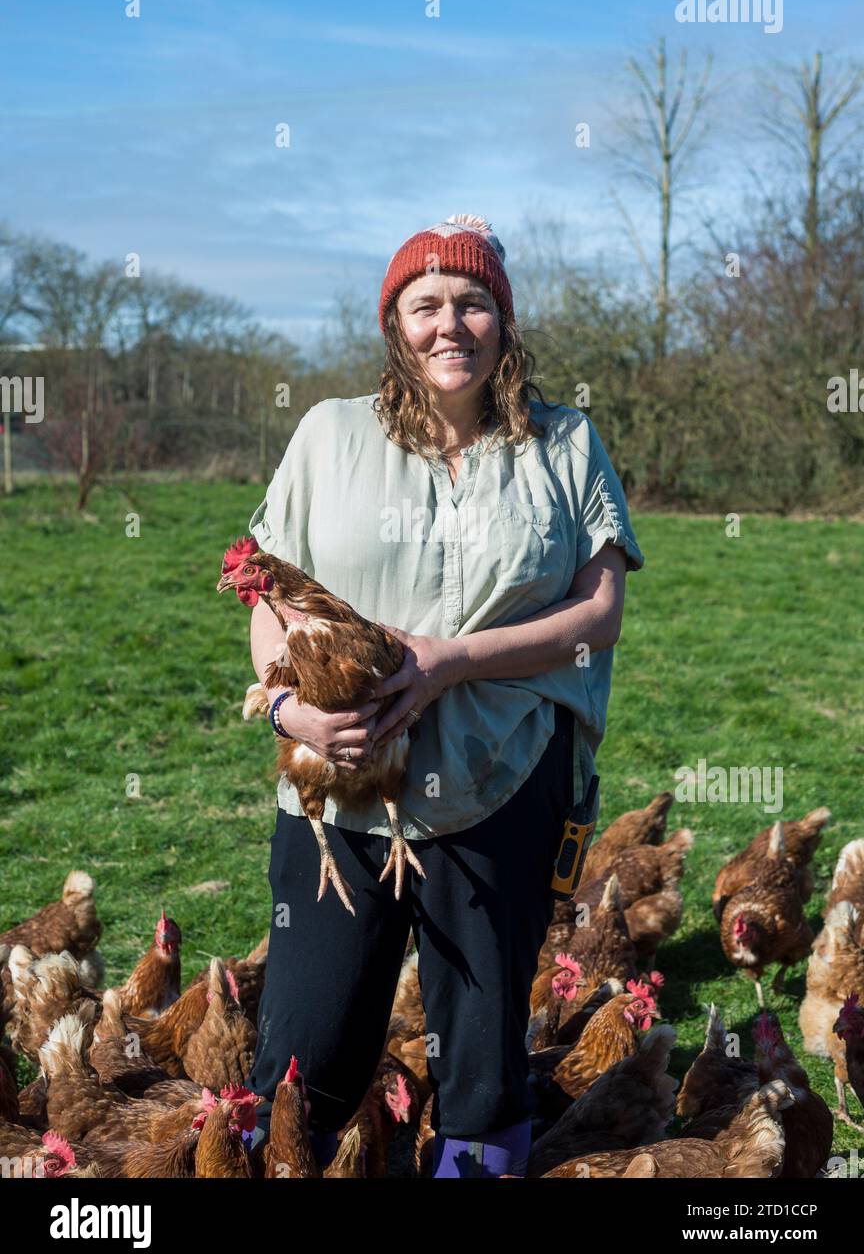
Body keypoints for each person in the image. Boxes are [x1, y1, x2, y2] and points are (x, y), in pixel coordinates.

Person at [242, 213, 644, 1177]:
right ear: (394, 323)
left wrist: (451, 662)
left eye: (472, 304)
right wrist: (285, 706)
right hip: (339, 788)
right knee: (306, 1051)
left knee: (481, 1058)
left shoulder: (564, 443)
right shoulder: (328, 436)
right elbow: (266, 589)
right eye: (424, 305)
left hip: (501, 777)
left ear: (503, 323)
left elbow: (600, 608)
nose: (448, 325)